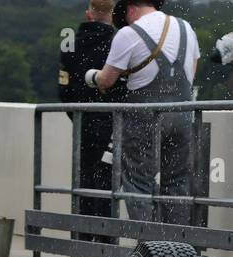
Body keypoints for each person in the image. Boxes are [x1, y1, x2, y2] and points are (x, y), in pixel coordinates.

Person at [85, 0, 199, 224]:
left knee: (138, 181)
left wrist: (92, 77)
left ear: (129, 9)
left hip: (144, 118)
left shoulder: (128, 33)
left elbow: (107, 80)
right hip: (183, 116)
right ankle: (176, 246)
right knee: (177, 181)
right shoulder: (186, 27)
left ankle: (148, 245)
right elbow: (191, 74)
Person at [60, 0, 117, 239]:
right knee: (108, 176)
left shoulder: (70, 40)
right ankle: (104, 236)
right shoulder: (119, 40)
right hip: (112, 118)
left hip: (82, 117)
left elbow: (63, 89)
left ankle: (83, 234)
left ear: (88, 14)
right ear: (113, 14)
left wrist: (76, 115)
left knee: (83, 174)